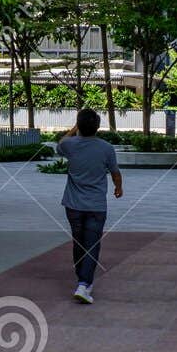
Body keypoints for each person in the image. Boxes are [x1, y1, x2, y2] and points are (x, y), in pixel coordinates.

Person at [56, 108, 122, 304]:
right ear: (97, 126)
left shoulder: (70, 145)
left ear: (79, 126)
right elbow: (115, 172)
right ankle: (84, 284)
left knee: (79, 241)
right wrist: (118, 187)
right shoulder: (106, 148)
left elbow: (59, 144)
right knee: (92, 244)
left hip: (73, 205)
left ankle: (82, 279)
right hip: (96, 206)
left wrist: (72, 130)